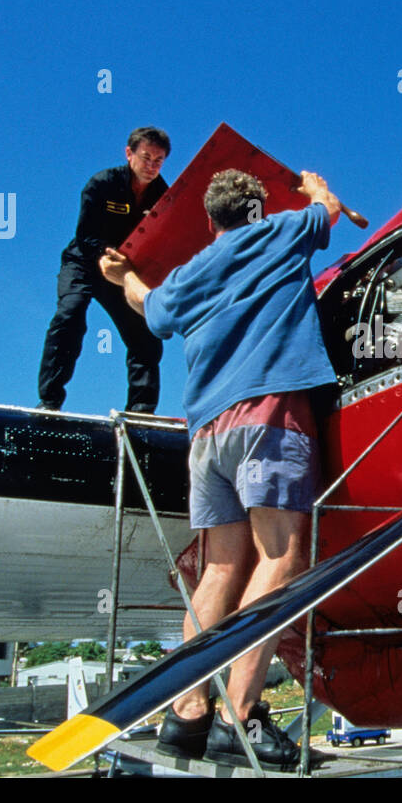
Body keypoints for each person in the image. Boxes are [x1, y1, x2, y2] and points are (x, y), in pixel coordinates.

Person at [99, 168, 341, 771]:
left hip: (205, 433)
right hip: (269, 413)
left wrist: (124, 273)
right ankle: (241, 715)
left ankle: (186, 717)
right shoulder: (283, 231)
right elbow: (329, 211)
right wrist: (313, 184)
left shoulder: (190, 273)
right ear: (257, 209)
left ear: (209, 222)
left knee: (220, 568)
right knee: (282, 556)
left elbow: (149, 307)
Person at [37, 127, 171, 413]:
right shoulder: (101, 184)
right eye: (146, 157)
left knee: (146, 335)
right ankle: (49, 401)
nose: (151, 166)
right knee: (70, 314)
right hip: (84, 262)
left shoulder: (163, 196)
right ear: (129, 154)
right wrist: (104, 255)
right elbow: (85, 234)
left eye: (158, 161)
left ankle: (141, 413)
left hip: (123, 273)